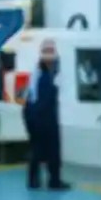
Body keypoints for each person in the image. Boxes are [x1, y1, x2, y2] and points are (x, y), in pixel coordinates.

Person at [22, 39, 70, 191]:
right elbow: (46, 97)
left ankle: (34, 180)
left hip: (34, 114)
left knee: (37, 148)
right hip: (43, 116)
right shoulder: (46, 75)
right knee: (50, 149)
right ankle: (53, 181)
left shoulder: (37, 71)